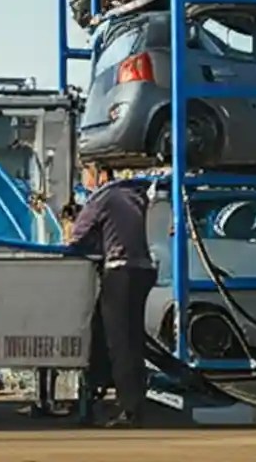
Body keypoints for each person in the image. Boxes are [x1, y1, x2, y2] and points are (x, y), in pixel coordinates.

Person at [68, 162, 156, 428]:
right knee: (121, 336)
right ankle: (103, 396)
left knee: (119, 342)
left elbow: (77, 239)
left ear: (100, 173)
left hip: (119, 271)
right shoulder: (137, 195)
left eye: (84, 172)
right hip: (143, 271)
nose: (84, 179)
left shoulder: (103, 197)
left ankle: (130, 409)